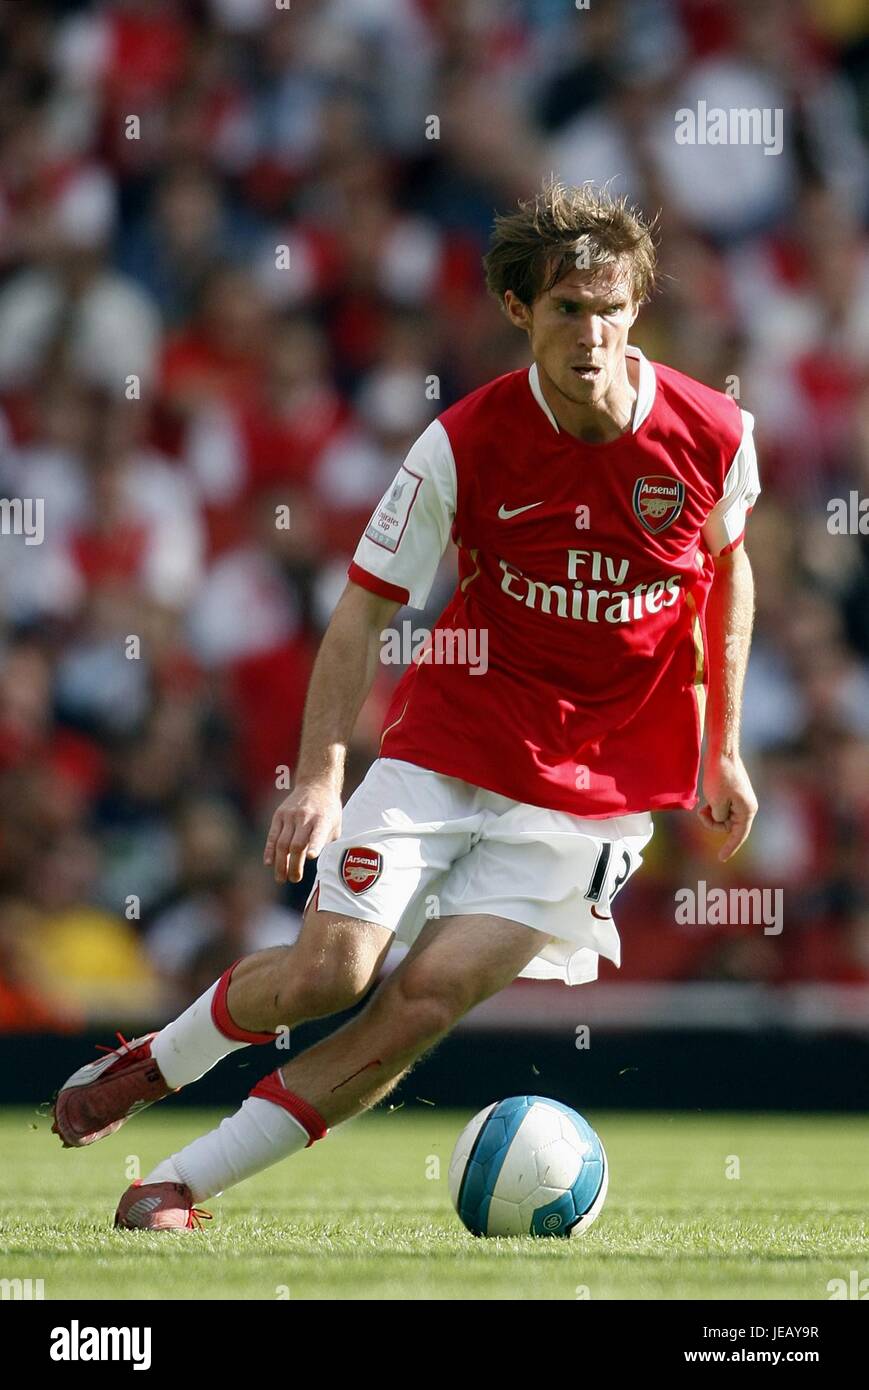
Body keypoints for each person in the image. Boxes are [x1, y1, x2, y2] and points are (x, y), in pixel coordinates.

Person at [51, 181, 760, 1230]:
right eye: (565, 308)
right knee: (328, 972)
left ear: (636, 309)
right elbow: (360, 614)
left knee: (421, 1004)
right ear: (520, 313)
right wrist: (322, 778)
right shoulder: (462, 443)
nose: (592, 331)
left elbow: (728, 573)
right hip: (448, 747)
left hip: (593, 796)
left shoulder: (713, 433)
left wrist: (723, 750)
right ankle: (156, 1060)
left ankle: (177, 1185)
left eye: (609, 305)